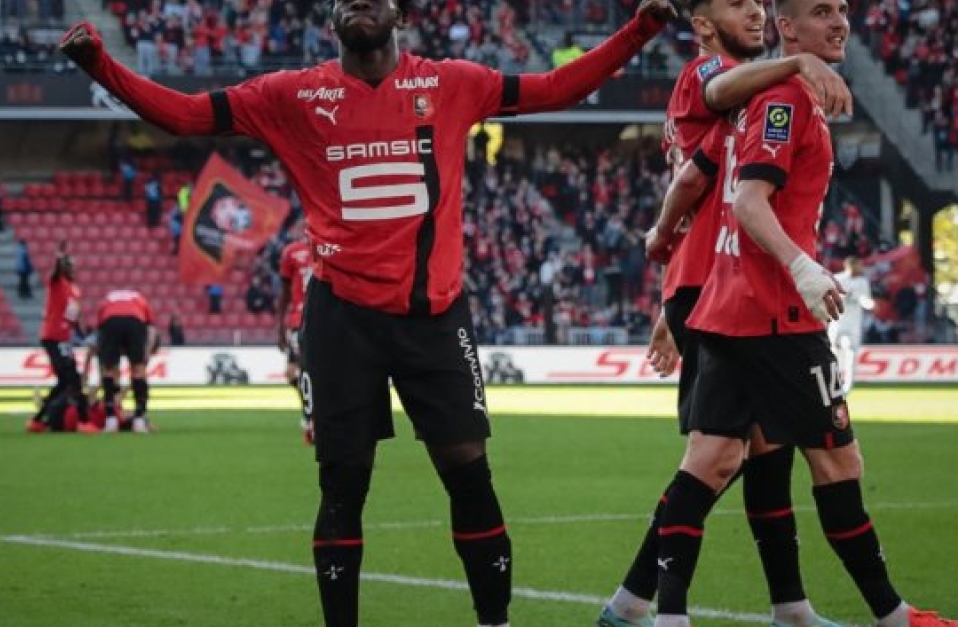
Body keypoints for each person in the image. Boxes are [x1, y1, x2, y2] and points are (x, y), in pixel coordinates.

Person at [61, 1, 677, 625]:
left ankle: (495, 623)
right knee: (342, 488)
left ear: (398, 13)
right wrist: (100, 65)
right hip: (341, 318)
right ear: (331, 18)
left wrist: (640, 30)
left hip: (435, 315)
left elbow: (555, 88)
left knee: (470, 478)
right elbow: (186, 115)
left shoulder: (452, 82)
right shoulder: (290, 95)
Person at [646, 1, 958, 626]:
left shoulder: (760, 95)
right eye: (821, 12)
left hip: (724, 308)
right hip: (775, 313)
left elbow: (696, 177)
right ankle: (895, 617)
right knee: (837, 462)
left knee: (710, 462)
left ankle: (672, 617)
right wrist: (802, 268)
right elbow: (748, 202)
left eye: (843, 11)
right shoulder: (785, 99)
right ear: (788, 27)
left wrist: (667, 252)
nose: (840, 23)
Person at [602, 0, 853, 621]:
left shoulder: (746, 87)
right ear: (703, 25)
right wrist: (796, 62)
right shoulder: (710, 74)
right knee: (717, 458)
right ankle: (641, 603)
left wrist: (668, 272)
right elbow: (696, 176)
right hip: (720, 284)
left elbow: (695, 185)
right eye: (737, 4)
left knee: (763, 453)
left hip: (711, 278)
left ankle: (787, 606)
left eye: (757, 3)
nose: (756, 13)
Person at [27, 240, 93, 433]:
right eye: (69, 266)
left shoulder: (74, 289)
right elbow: (55, 273)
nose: (72, 270)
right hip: (53, 337)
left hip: (64, 339)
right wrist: (59, 257)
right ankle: (83, 421)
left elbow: (73, 315)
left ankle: (38, 420)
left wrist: (82, 333)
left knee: (67, 380)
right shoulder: (57, 283)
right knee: (71, 378)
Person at [95, 288, 157, 433]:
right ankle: (139, 420)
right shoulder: (140, 299)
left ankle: (111, 419)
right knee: (138, 370)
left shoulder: (107, 299)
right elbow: (151, 329)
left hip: (110, 322)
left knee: (109, 371)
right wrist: (146, 354)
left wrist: (104, 358)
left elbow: (100, 330)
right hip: (134, 322)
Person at [277, 218, 313, 444]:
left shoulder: (330, 251)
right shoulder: (291, 253)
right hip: (298, 320)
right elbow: (284, 292)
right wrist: (280, 326)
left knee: (309, 370)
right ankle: (310, 413)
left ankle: (312, 418)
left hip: (319, 319)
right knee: (293, 372)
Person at [830, 256, 873, 393]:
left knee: (851, 352)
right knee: (835, 354)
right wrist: (845, 297)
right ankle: (835, 383)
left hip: (854, 324)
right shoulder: (838, 279)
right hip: (838, 322)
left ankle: (848, 386)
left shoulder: (862, 282)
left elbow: (865, 299)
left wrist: (869, 304)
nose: (860, 268)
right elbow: (831, 298)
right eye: (857, 265)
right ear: (849, 265)